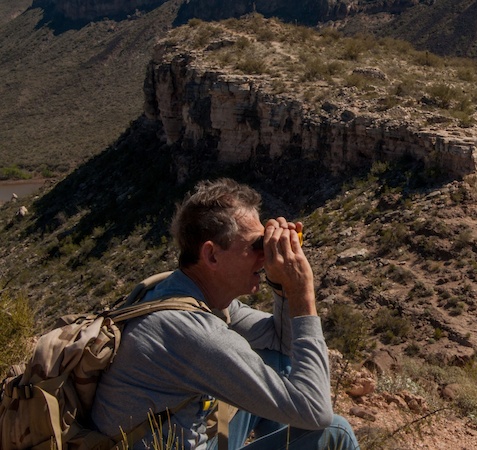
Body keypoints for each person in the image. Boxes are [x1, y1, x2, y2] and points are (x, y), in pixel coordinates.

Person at [91, 178, 359, 450]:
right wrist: (302, 291)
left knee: (275, 361)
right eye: (256, 246)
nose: (264, 257)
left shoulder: (176, 291)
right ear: (212, 256)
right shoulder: (192, 332)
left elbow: (282, 344)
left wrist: (282, 288)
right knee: (336, 432)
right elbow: (317, 412)